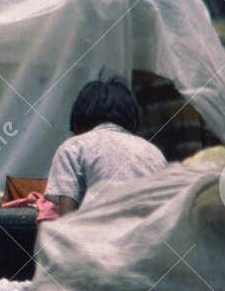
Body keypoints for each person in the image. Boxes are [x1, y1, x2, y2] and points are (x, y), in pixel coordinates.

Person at [45, 75, 167, 218]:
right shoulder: (152, 152)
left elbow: (66, 217)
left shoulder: (73, 147)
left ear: (80, 116)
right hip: (148, 237)